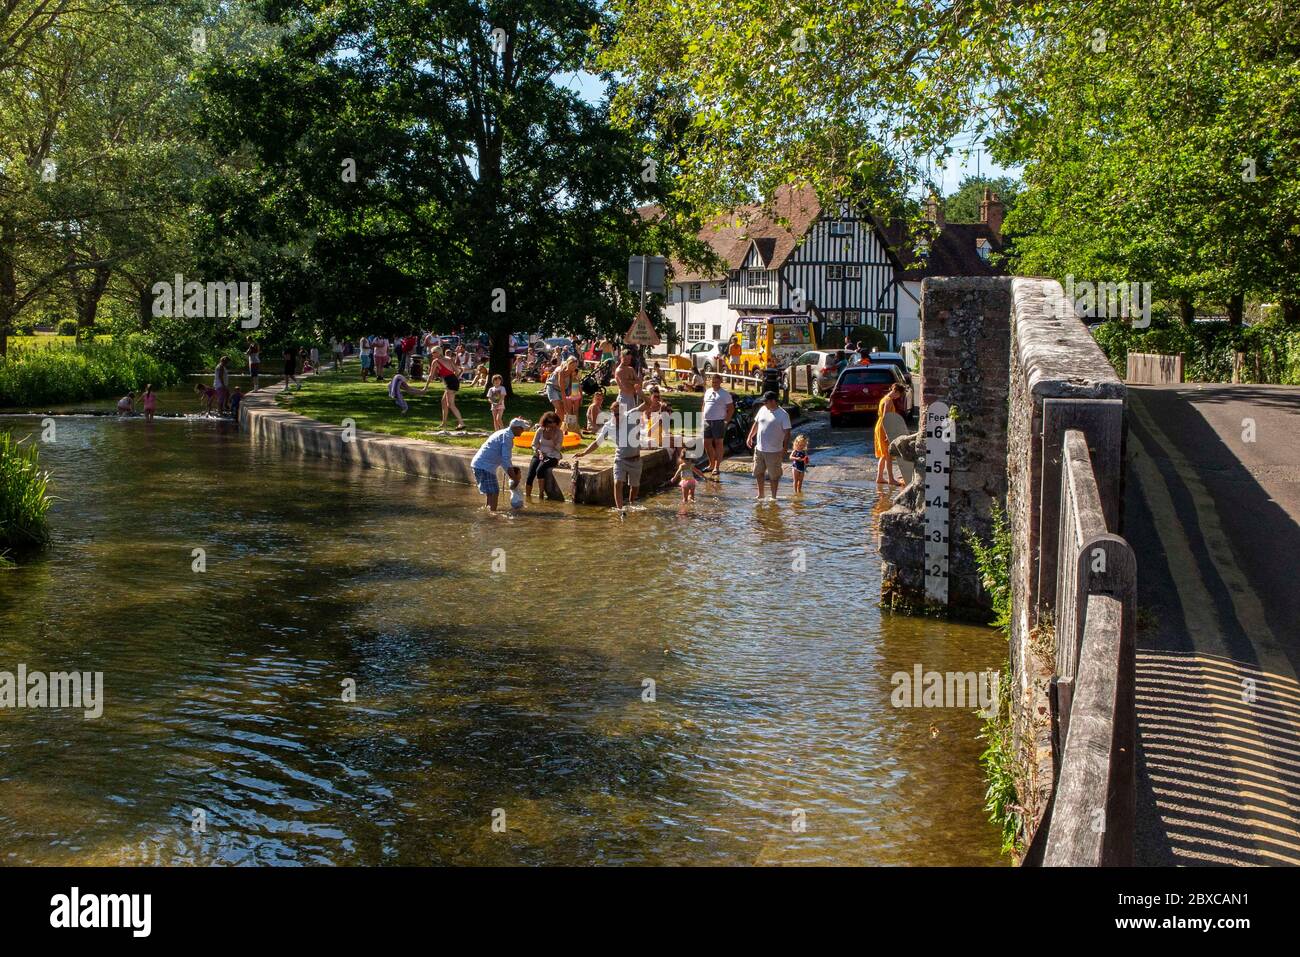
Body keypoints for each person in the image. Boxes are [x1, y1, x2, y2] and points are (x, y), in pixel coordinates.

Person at [574, 398, 643, 512]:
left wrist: (640, 393)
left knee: (634, 487)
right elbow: (597, 442)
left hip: (635, 460)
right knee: (617, 483)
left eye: (619, 414)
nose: (617, 416)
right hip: (620, 459)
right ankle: (620, 510)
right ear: (611, 413)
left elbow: (647, 404)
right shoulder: (608, 426)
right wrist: (584, 453)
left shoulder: (630, 417)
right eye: (614, 414)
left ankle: (632, 503)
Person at [470, 417, 528, 511]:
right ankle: (492, 515)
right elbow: (506, 460)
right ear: (516, 428)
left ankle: (488, 511)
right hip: (485, 466)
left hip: (479, 464)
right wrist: (514, 478)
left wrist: (511, 475)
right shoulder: (507, 438)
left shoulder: (503, 433)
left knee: (491, 492)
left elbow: (503, 460)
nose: (523, 431)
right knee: (494, 492)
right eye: (522, 428)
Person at [746, 391, 791, 500]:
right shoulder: (762, 410)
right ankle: (760, 494)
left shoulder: (783, 415)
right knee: (758, 472)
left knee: (774, 476)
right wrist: (750, 436)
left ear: (773, 401)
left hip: (774, 451)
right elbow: (756, 424)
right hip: (760, 449)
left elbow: (787, 433)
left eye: (766, 402)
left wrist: (785, 448)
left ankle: (773, 497)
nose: (764, 404)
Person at [422, 347, 465, 430]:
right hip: (453, 380)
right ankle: (444, 423)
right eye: (432, 352)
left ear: (438, 352)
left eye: (434, 352)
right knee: (444, 402)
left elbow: (431, 376)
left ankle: (461, 423)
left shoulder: (436, 361)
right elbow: (458, 371)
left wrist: (425, 387)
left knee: (451, 404)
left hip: (449, 382)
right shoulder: (448, 358)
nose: (432, 354)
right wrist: (454, 379)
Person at [700, 374, 734, 476]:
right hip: (707, 420)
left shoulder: (725, 394)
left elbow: (731, 409)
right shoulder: (708, 391)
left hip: (718, 421)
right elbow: (704, 405)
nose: (714, 383)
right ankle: (711, 464)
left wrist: (725, 421)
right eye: (713, 381)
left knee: (718, 443)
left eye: (716, 382)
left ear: (720, 382)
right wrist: (702, 417)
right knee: (706, 442)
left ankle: (717, 467)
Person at [526, 411, 566, 499]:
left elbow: (558, 448)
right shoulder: (540, 430)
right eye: (549, 422)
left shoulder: (559, 432)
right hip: (539, 453)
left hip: (552, 456)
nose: (551, 425)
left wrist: (552, 438)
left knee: (539, 470)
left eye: (553, 422)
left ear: (556, 422)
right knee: (530, 475)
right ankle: (527, 497)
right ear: (545, 422)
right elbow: (534, 444)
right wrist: (538, 451)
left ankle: (541, 494)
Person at [874, 383, 906, 486]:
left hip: (879, 426)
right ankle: (891, 479)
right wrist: (888, 433)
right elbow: (885, 418)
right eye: (898, 395)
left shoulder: (884, 398)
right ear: (895, 391)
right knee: (888, 455)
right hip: (884, 428)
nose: (898, 397)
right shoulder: (888, 401)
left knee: (883, 455)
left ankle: (879, 478)